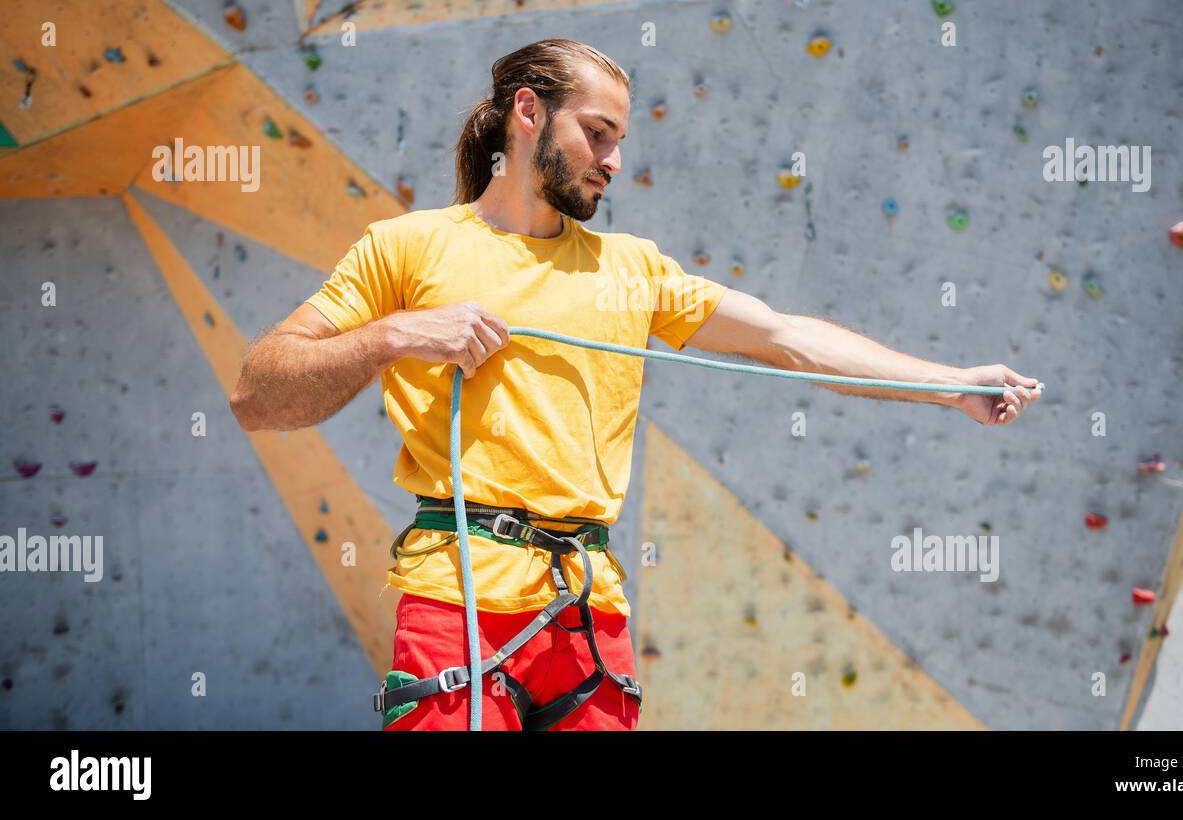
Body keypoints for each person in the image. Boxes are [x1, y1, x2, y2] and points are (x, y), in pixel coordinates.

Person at [228, 37, 1040, 731]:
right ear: (528, 112)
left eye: (620, 142)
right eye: (598, 133)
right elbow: (258, 396)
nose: (614, 162)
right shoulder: (408, 248)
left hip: (587, 611)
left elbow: (789, 338)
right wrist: (397, 332)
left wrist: (949, 384)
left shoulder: (632, 269)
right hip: (459, 598)